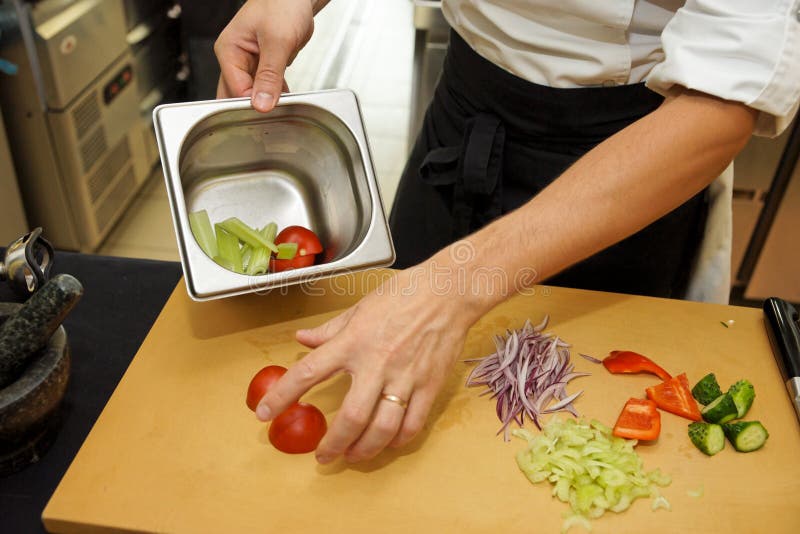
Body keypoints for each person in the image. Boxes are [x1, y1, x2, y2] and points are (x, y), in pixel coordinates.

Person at [214, 0, 800, 464]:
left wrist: (452, 285)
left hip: (629, 158)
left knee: (584, 394)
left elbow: (725, 100)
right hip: (467, 105)